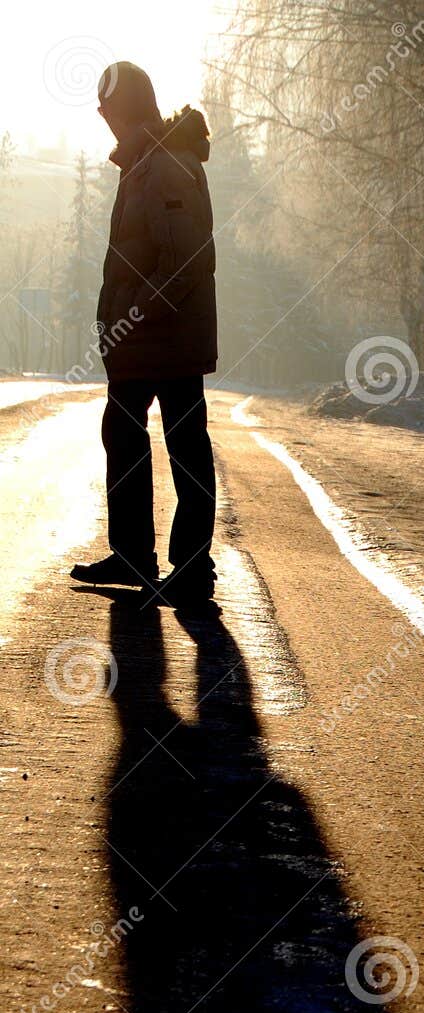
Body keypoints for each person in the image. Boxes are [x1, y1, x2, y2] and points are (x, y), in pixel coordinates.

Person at [70, 62, 218, 608]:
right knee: (126, 439)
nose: (103, 117)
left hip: (167, 339)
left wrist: (131, 314)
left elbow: (186, 262)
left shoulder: (165, 167)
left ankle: (193, 566)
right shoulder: (144, 163)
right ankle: (133, 556)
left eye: (109, 108)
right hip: (143, 340)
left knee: (185, 445)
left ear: (129, 110)